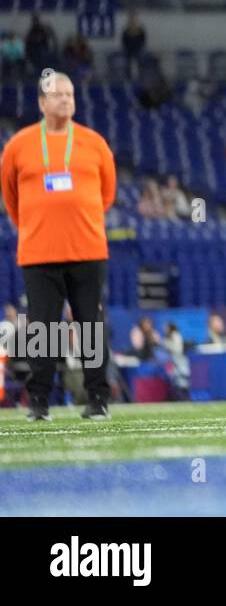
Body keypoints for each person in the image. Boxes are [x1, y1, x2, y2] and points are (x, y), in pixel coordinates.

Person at [0, 71, 116, 421]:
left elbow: (106, 195)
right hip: (39, 253)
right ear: (41, 102)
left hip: (87, 250)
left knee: (89, 326)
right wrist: (38, 225)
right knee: (43, 329)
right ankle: (39, 402)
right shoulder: (19, 145)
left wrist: (79, 217)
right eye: (58, 95)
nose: (66, 100)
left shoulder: (94, 142)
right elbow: (10, 197)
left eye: (70, 94)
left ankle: (97, 399)